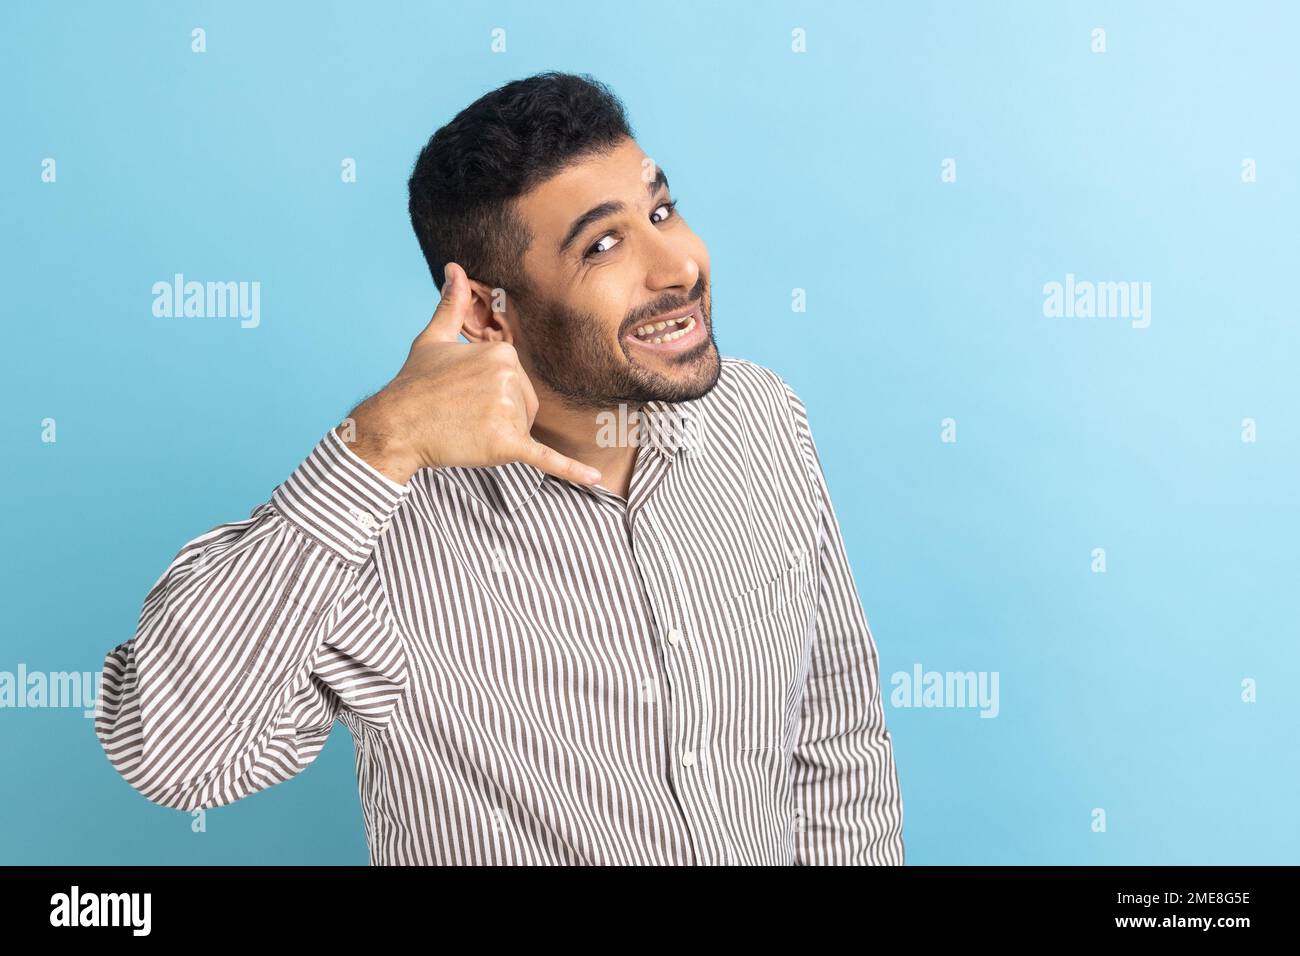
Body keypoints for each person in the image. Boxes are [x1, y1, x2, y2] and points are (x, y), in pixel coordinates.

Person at [95, 71, 904, 865]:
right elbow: (175, 757)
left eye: (661, 209)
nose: (677, 266)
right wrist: (376, 443)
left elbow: (833, 737)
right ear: (487, 310)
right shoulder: (381, 535)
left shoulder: (759, 418)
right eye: (605, 244)